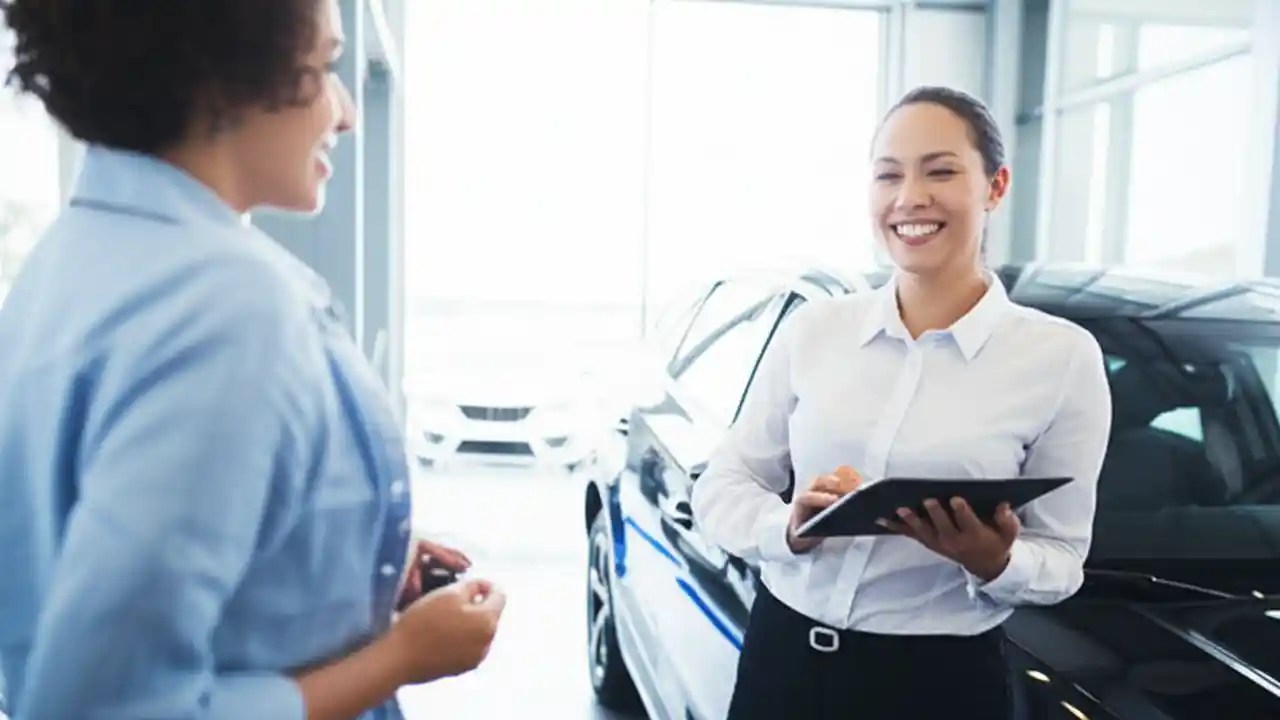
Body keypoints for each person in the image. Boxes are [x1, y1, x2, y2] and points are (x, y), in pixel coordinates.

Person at [0, 2, 505, 719]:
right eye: (325, 66)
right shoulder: (228, 308)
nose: (346, 112)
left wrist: (337, 553)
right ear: (222, 71)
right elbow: (106, 708)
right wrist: (401, 656)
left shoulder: (63, 267)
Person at [690, 85, 1112, 720]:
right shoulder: (816, 331)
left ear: (995, 187)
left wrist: (995, 561)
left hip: (938, 685)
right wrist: (789, 526)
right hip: (783, 661)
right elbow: (723, 485)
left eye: (939, 171)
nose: (909, 197)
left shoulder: (1061, 359)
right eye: (888, 175)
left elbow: (1062, 560)